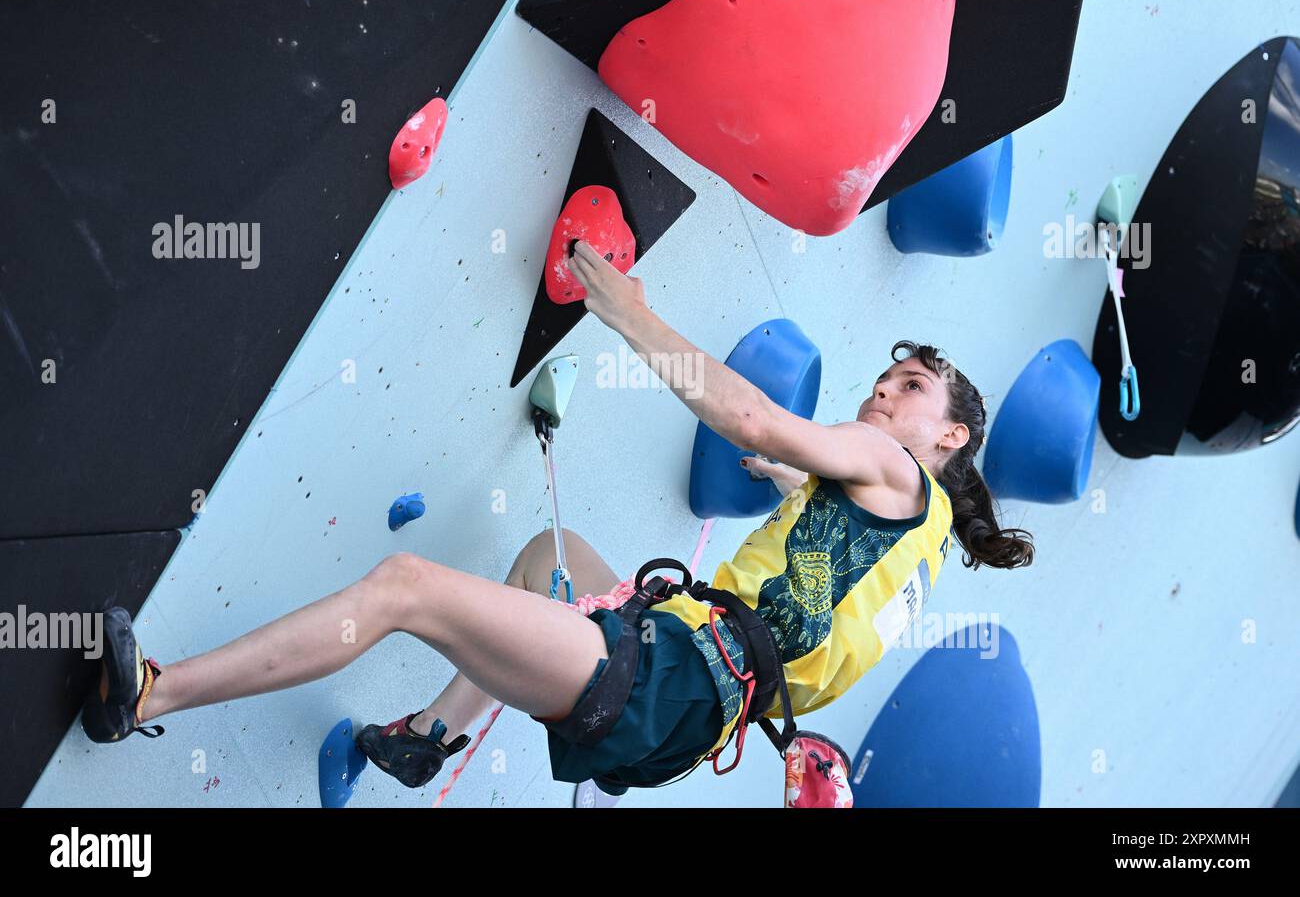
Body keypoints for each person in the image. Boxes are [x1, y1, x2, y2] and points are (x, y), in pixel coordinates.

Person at [81, 241, 1034, 800]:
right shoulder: (922, 545)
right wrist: (792, 481)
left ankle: (150, 696)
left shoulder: (894, 463)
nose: (880, 389)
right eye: (886, 375)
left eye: (907, 387)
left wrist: (630, 314)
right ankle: (427, 738)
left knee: (405, 588)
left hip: (669, 675)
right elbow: (826, 596)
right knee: (551, 556)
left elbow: (749, 414)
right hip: (693, 709)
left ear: (946, 434)